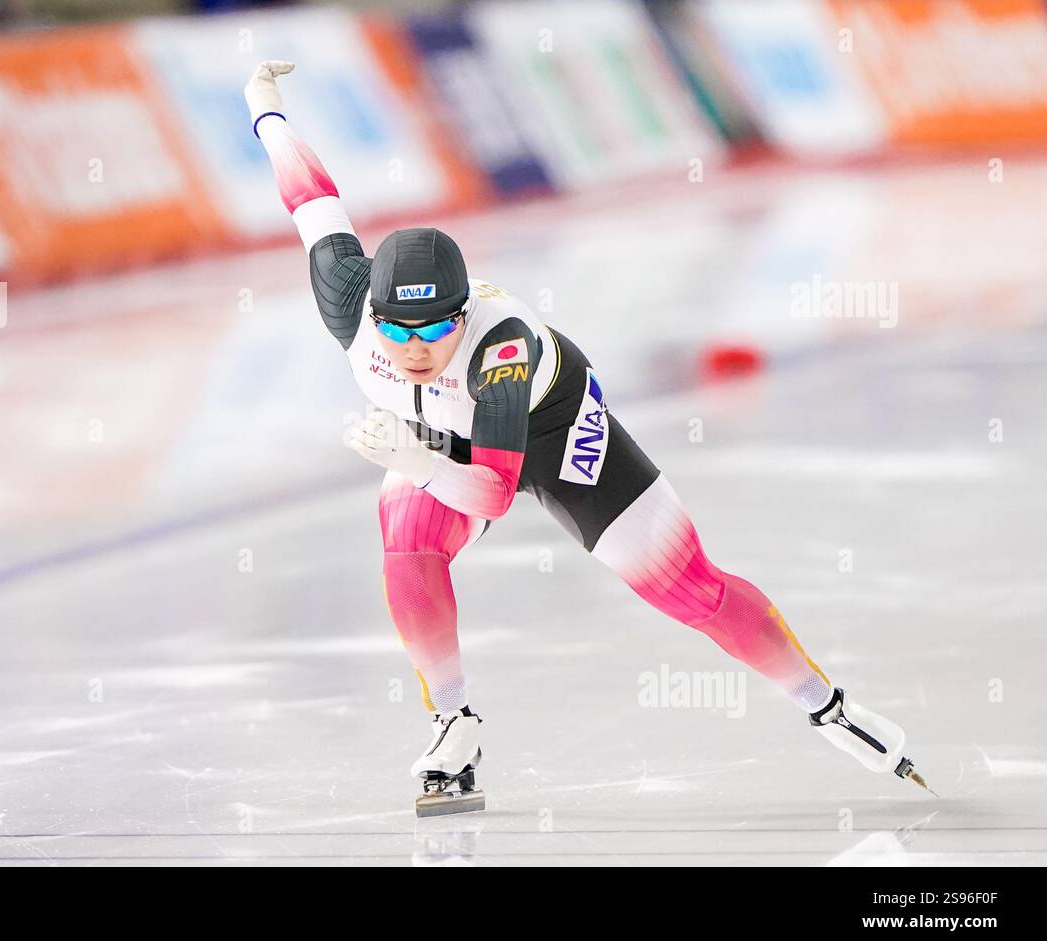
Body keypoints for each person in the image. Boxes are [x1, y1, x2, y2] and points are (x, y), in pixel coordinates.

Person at [244, 61, 928, 814]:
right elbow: (314, 201)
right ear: (369, 309)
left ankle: (828, 704)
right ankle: (453, 721)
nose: (415, 345)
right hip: (441, 438)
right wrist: (266, 113)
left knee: (685, 588)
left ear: (464, 312)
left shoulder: (498, 348)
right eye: (398, 327)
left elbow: (495, 492)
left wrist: (413, 455)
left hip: (553, 430)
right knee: (406, 539)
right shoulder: (347, 299)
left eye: (437, 325)